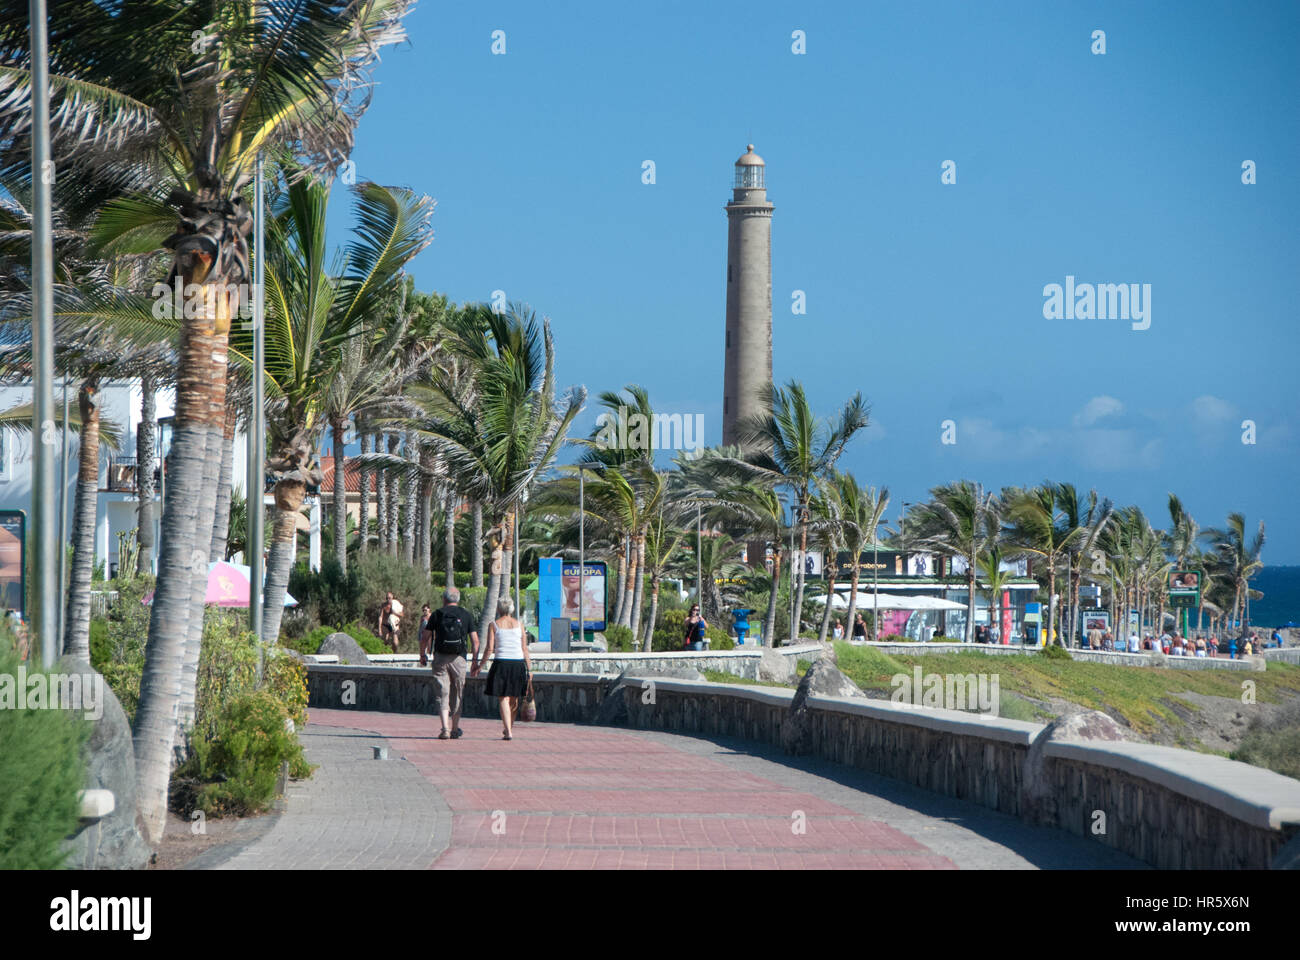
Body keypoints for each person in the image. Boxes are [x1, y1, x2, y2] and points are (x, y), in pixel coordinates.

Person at [424, 587, 479, 740]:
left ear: (444, 599)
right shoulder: (465, 614)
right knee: (457, 693)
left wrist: (422, 654)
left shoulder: (437, 614)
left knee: (443, 693)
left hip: (440, 658)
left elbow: (425, 636)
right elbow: (475, 641)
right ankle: (455, 728)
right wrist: (475, 661)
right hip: (459, 659)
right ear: (458, 599)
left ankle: (445, 729)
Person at [480, 597, 531, 740]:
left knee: (504, 698)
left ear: (498, 609)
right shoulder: (519, 624)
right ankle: (508, 728)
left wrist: (480, 665)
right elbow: (524, 648)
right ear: (512, 609)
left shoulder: (494, 625)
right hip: (517, 663)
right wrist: (529, 668)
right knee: (514, 698)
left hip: (501, 663)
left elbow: (489, 649)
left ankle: (508, 729)